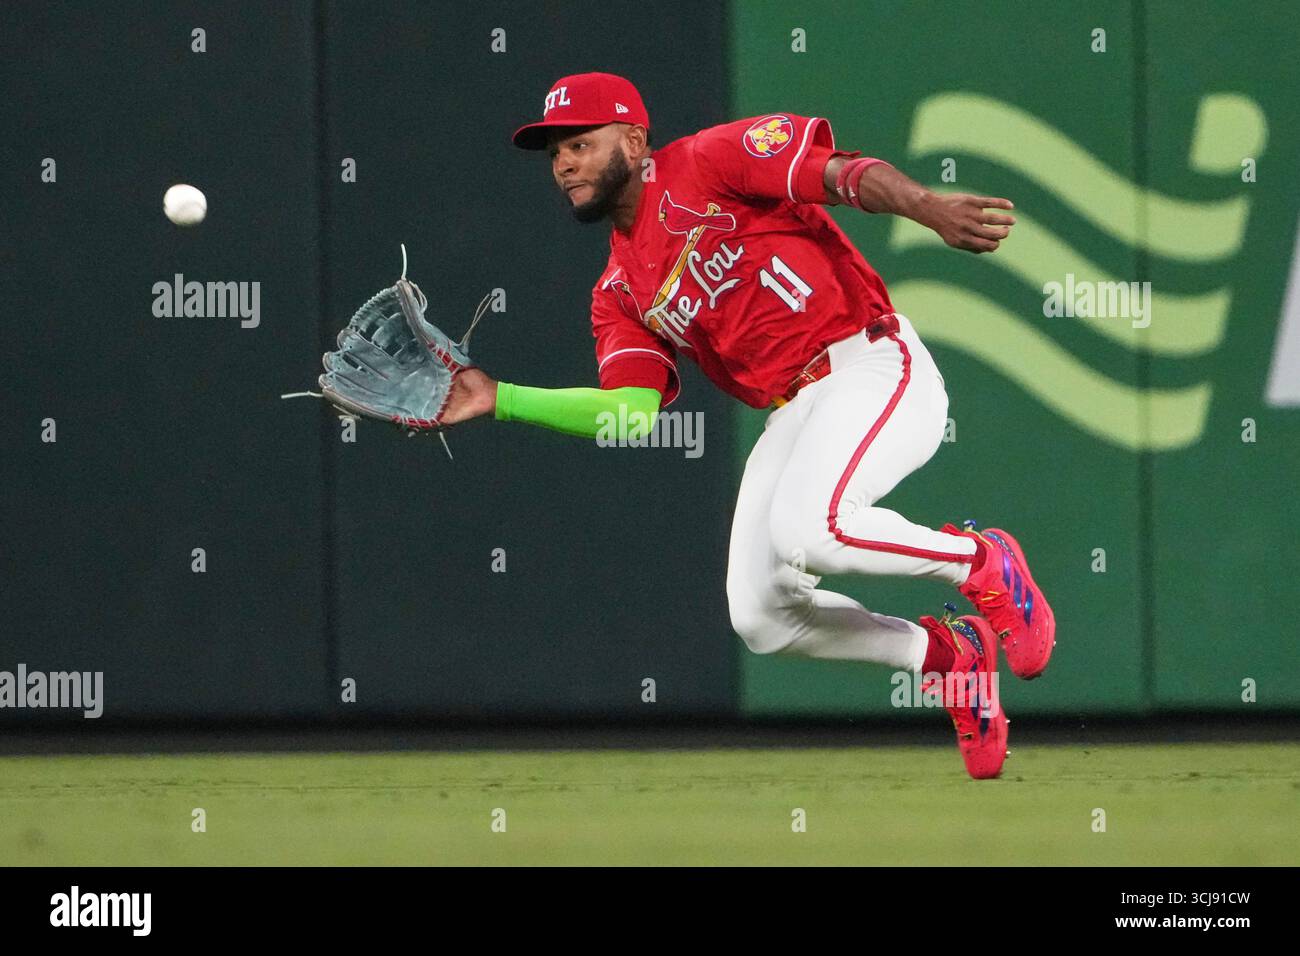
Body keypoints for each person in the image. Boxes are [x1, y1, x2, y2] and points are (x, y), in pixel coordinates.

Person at [440, 72, 1055, 779]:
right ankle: (947, 658)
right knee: (761, 616)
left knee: (813, 531)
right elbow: (629, 415)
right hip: (793, 410)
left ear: (635, 140)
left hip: (871, 363)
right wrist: (503, 398)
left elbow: (842, 172)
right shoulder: (617, 292)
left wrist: (927, 207)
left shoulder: (707, 160)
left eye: (580, 143)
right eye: (554, 154)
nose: (565, 164)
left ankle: (983, 562)